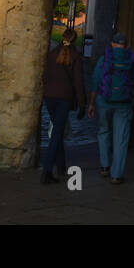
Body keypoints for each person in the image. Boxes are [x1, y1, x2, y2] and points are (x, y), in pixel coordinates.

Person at [87, 32, 134, 184]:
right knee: (121, 139)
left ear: (112, 44)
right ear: (126, 45)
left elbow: (95, 82)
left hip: (103, 101)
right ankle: (116, 174)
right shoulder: (131, 61)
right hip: (124, 104)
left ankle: (105, 166)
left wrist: (91, 103)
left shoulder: (104, 59)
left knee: (103, 131)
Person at [40, 28, 86, 185]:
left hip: (49, 97)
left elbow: (44, 75)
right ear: (74, 40)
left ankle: (60, 165)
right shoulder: (75, 57)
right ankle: (47, 170)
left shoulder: (51, 54)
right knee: (57, 133)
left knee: (58, 131)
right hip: (63, 98)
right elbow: (78, 82)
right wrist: (82, 104)